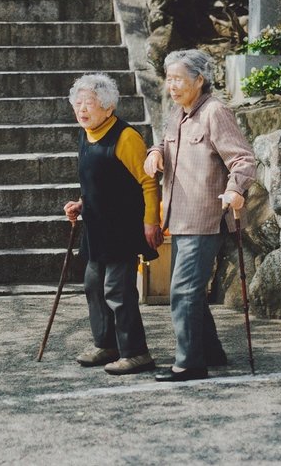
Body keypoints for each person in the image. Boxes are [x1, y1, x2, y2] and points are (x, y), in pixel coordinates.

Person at [144, 49, 256, 382]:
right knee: (190, 288)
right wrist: (155, 154)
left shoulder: (215, 112)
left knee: (183, 290)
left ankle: (190, 362)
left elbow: (243, 159)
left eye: (179, 79)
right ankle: (210, 352)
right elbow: (164, 145)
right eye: (169, 79)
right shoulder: (176, 113)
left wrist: (236, 189)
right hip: (178, 216)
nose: (172, 86)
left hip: (206, 216)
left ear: (199, 80)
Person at [63, 73, 163, 376]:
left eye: (88, 104)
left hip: (122, 228)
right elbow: (96, 180)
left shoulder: (126, 137)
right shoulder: (86, 133)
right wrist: (81, 203)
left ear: (108, 107)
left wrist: (151, 223)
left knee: (117, 290)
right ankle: (106, 345)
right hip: (96, 228)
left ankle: (136, 352)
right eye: (77, 103)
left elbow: (148, 183)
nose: (82, 110)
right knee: (93, 286)